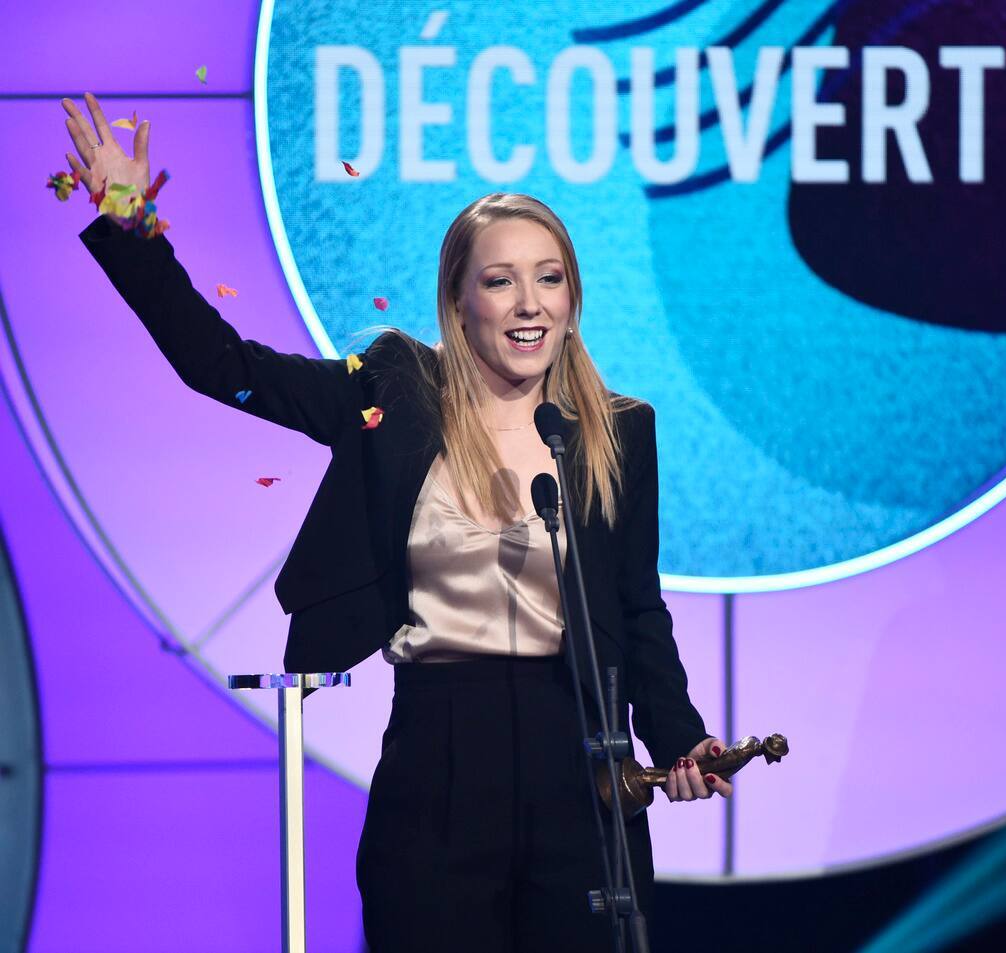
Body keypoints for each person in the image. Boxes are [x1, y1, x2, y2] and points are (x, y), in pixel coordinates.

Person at [63, 91, 732, 952]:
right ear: (460, 303)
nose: (529, 303)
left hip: (580, 766)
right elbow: (221, 366)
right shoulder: (393, 391)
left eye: (549, 278)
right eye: (501, 280)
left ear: (573, 298)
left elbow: (637, 609)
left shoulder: (617, 429)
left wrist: (678, 740)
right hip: (440, 760)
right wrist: (129, 224)